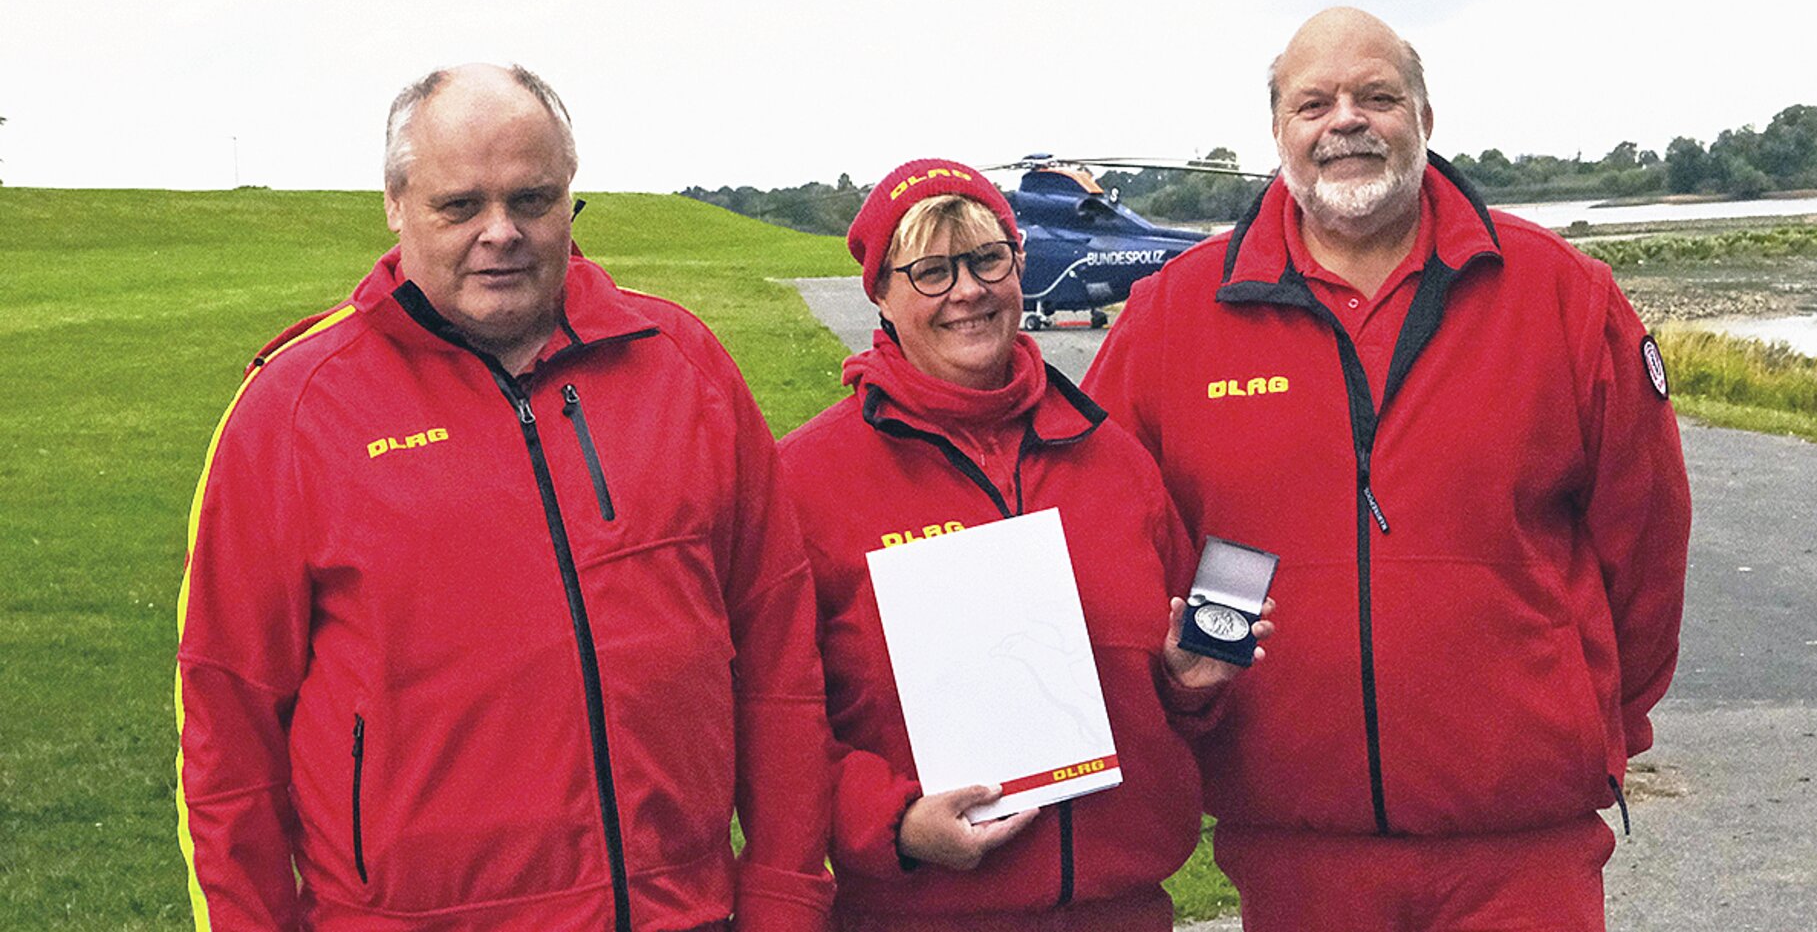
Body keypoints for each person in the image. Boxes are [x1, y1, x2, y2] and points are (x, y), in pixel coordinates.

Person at [175, 64, 834, 932]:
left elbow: (779, 653)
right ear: (395, 203)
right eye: (460, 206)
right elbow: (228, 732)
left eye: (532, 199)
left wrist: (786, 895)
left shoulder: (681, 365)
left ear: (570, 195)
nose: (502, 233)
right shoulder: (292, 410)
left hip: (680, 912)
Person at [1083, 8, 1692, 932]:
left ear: (1425, 117)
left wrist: (1590, 714)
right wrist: (1174, 682)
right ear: (1277, 131)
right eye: (1313, 103)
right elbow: (1103, 528)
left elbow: (1646, 540)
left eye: (1377, 97)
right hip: (1294, 848)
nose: (1346, 121)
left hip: (1522, 850)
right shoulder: (1174, 315)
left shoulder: (1563, 295)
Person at [778, 159, 1271, 932]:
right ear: (881, 294)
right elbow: (775, 726)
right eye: (931, 271)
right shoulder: (807, 478)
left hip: (1122, 913)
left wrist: (1190, 682)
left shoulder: (1114, 458)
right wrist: (893, 821)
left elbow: (1185, 699)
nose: (967, 290)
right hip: (922, 918)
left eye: (988, 259)